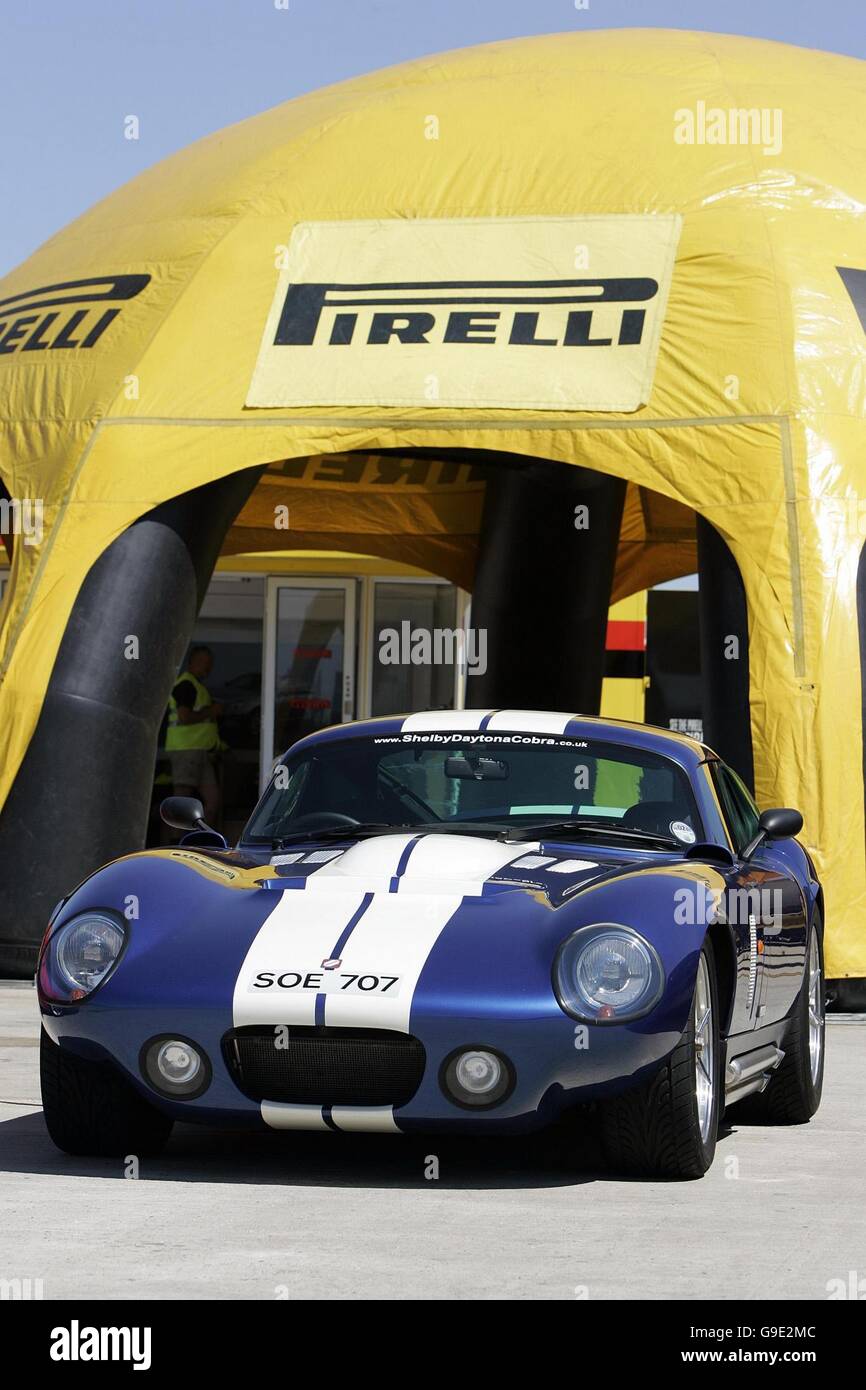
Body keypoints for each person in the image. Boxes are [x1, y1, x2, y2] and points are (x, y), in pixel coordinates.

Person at [165, 646, 223, 826]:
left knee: (213, 800)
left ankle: (202, 841)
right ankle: (177, 844)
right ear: (192, 663)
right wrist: (211, 711)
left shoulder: (197, 686)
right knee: (182, 800)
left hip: (200, 752)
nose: (207, 669)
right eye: (204, 664)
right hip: (186, 750)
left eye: (209, 665)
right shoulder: (186, 685)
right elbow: (184, 717)